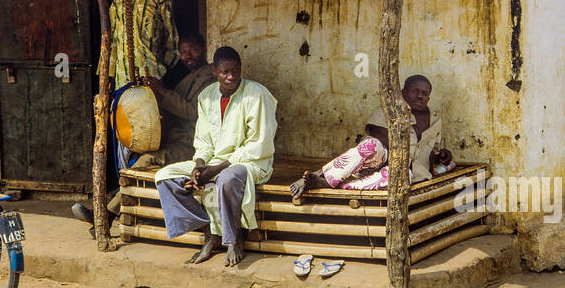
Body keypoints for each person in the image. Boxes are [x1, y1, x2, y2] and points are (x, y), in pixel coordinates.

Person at [72, 34, 217, 231]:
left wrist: (163, 91)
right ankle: (116, 209)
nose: (187, 55)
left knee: (145, 161)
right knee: (133, 156)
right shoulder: (187, 75)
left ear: (204, 48)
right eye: (183, 52)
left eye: (193, 50)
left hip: (190, 145)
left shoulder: (209, 78)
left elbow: (192, 112)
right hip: (175, 139)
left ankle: (108, 215)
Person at [153, 47, 277, 267]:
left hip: (250, 163)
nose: (231, 77)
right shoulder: (207, 96)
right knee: (165, 176)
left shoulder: (257, 95)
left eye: (235, 71)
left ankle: (232, 239)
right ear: (214, 71)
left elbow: (259, 145)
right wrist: (200, 165)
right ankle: (210, 230)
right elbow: (203, 140)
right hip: (214, 162)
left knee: (228, 178)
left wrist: (216, 168)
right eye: (225, 72)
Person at [289, 75, 448, 200]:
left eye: (424, 93)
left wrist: (442, 155)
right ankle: (320, 175)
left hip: (406, 175)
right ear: (404, 92)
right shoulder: (388, 111)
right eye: (415, 91)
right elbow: (378, 139)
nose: (420, 96)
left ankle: (333, 185)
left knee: (403, 175)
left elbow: (432, 151)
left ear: (429, 98)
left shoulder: (435, 119)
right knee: (372, 145)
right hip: (376, 164)